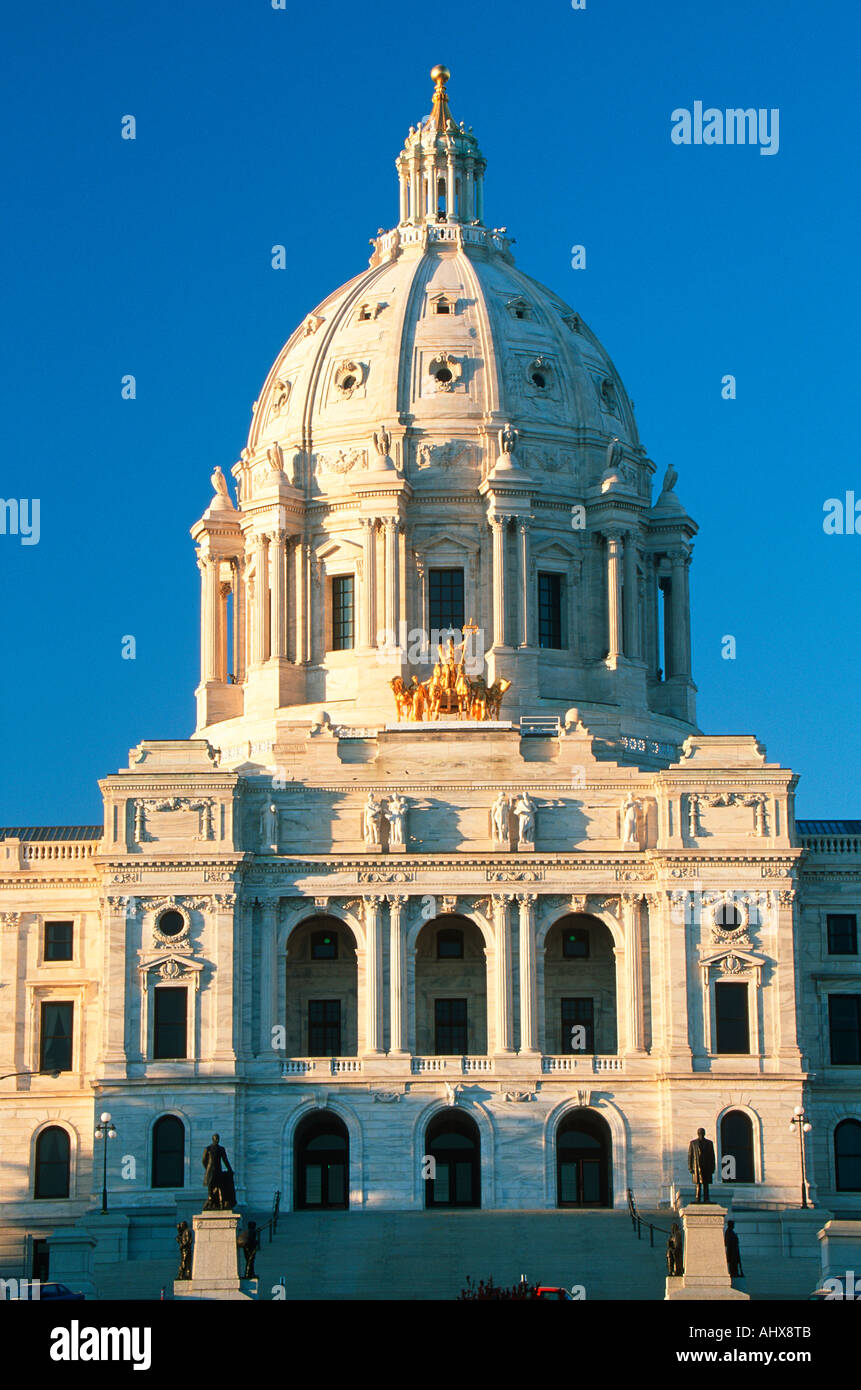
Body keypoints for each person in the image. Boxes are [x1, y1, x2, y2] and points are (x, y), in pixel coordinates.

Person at [202, 1133, 236, 1210]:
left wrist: (229, 1169)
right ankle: (210, 1200)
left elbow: (225, 1160)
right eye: (215, 1138)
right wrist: (207, 1168)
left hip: (218, 1170)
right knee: (210, 1186)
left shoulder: (221, 1149)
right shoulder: (208, 1149)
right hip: (210, 1171)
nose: (217, 1140)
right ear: (213, 1139)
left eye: (218, 1138)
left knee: (220, 1186)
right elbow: (204, 1160)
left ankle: (221, 1201)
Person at [688, 1127, 716, 1203]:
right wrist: (690, 1167)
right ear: (698, 1133)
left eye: (702, 1132)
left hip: (706, 1166)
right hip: (697, 1166)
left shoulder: (709, 1143)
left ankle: (706, 1198)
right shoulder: (693, 1143)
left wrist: (713, 1167)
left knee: (706, 1184)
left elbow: (712, 1156)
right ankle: (698, 1198)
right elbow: (690, 1155)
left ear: (704, 1133)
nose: (701, 1134)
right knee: (698, 1184)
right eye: (700, 1132)